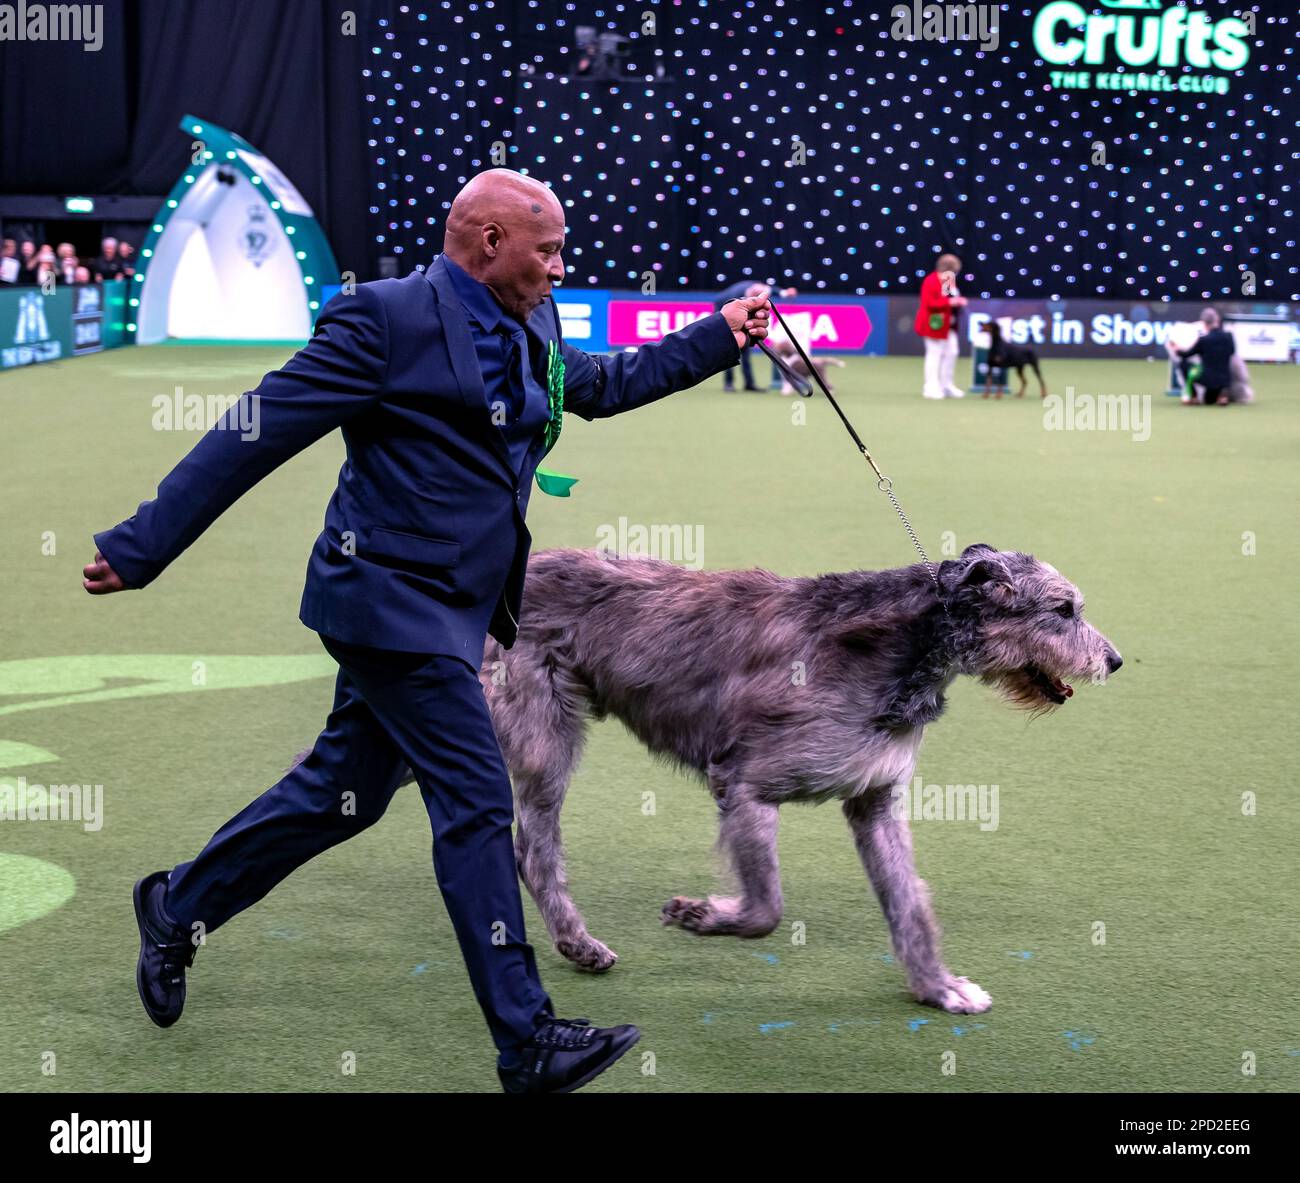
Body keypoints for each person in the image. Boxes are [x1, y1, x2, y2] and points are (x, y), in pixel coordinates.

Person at [83, 167, 770, 1094]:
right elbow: (256, 429)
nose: (562, 266)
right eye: (550, 248)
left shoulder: (535, 317)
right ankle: (527, 1043)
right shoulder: (382, 321)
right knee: (478, 801)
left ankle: (176, 905)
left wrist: (717, 335)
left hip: (462, 605)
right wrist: (144, 543)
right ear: (489, 242)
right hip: (383, 603)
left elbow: (599, 386)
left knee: (345, 794)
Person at [914, 253, 967, 399]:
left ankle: (946, 385)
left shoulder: (949, 281)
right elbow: (929, 303)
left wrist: (958, 301)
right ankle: (930, 387)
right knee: (934, 355)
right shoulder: (931, 281)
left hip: (948, 327)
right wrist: (951, 303)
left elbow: (951, 298)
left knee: (952, 352)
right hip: (933, 325)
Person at [714, 280, 769, 390]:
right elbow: (731, 315)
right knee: (729, 352)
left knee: (746, 351)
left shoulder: (755, 287)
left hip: (739, 316)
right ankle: (728, 384)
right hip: (722, 313)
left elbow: (771, 289)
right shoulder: (736, 297)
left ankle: (749, 384)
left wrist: (784, 292)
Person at [1176, 307, 1236, 406]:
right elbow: (1232, 352)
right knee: (1209, 400)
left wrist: (1177, 349)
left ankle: (1194, 397)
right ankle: (1222, 395)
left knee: (1183, 364)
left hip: (1208, 380)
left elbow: (1186, 354)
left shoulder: (1203, 340)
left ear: (1204, 322)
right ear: (1217, 320)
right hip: (1225, 380)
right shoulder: (1229, 336)